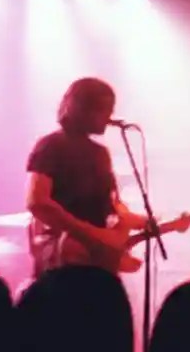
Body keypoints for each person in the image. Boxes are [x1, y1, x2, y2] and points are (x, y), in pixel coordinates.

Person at [24, 78, 148, 275]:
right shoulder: (51, 145)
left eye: (110, 108)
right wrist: (90, 235)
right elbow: (37, 201)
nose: (109, 115)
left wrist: (146, 222)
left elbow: (113, 207)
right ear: (81, 109)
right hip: (64, 259)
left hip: (94, 259)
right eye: (104, 108)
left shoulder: (100, 153)